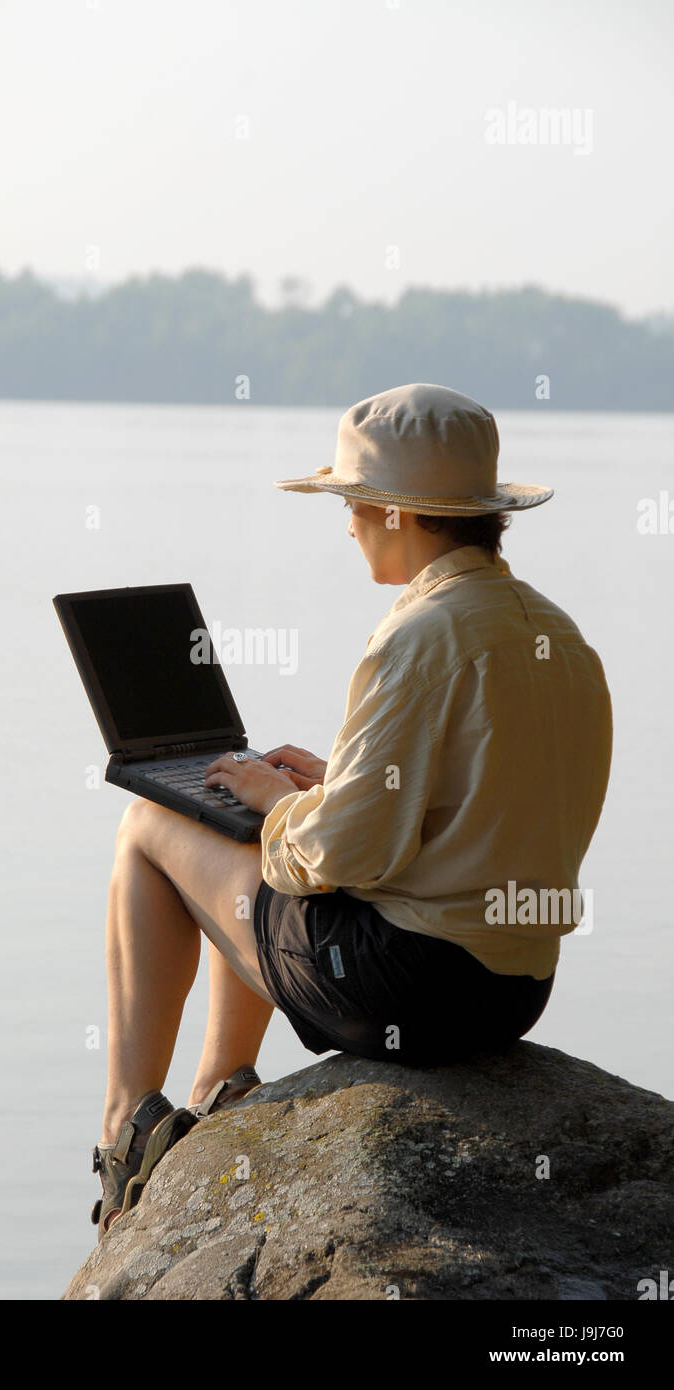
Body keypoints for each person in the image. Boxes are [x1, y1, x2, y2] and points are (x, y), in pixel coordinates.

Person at [89, 382, 613, 1237]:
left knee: (153, 827)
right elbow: (487, 803)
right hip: (514, 987)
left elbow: (337, 858)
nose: (348, 522)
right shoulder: (555, 635)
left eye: (356, 502)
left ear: (402, 514)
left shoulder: (419, 634)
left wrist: (276, 809)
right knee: (252, 827)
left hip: (408, 988)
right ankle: (222, 1091)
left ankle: (122, 1129)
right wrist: (329, 789)